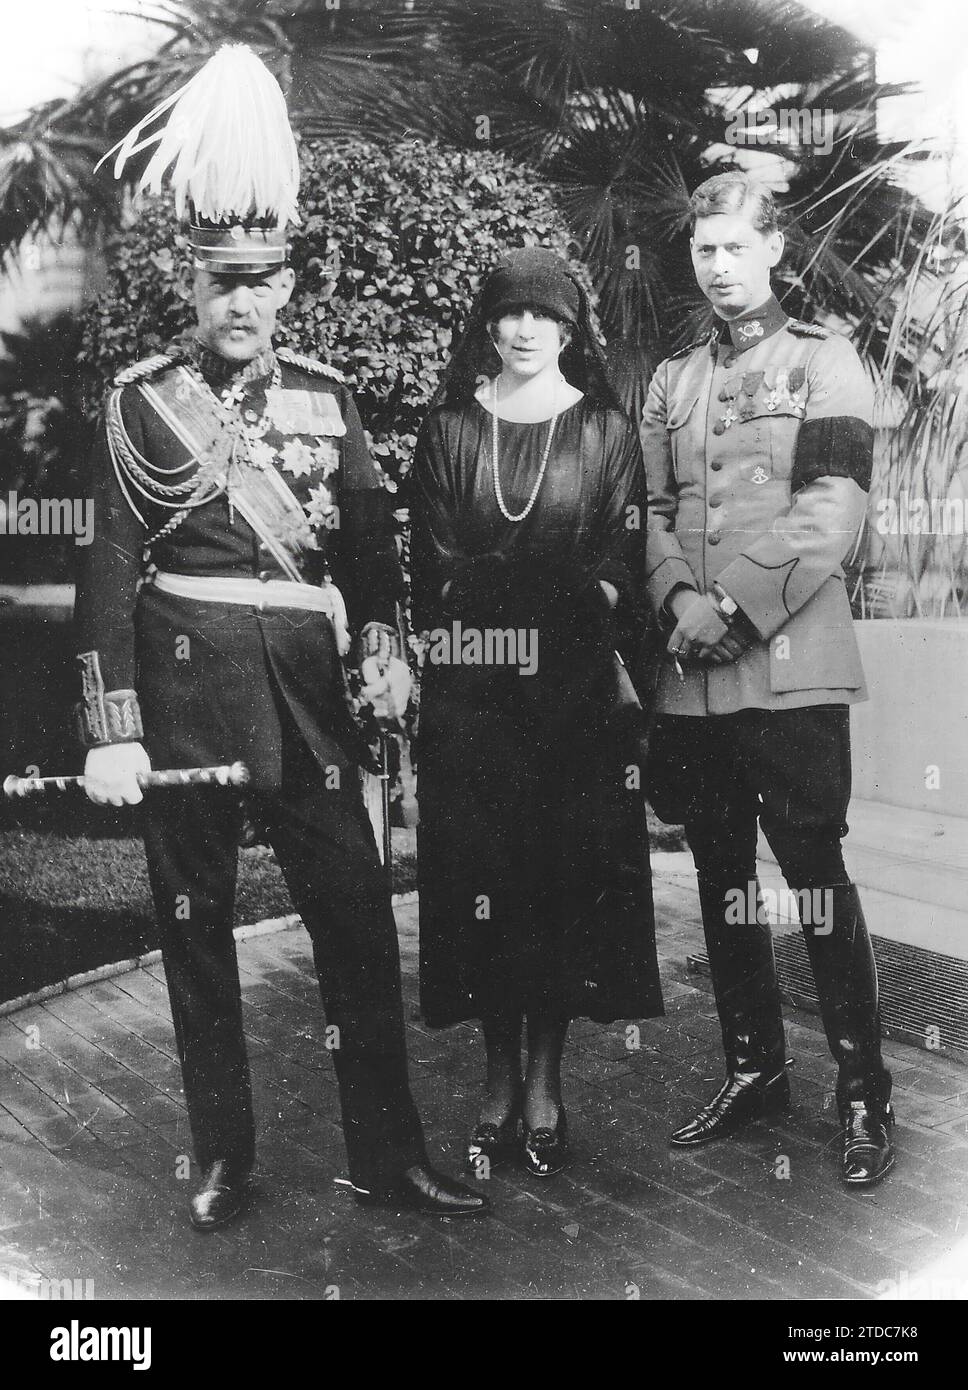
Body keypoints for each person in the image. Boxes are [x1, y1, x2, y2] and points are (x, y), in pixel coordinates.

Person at [74, 45, 488, 1228]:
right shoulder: (140, 401)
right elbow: (107, 571)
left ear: (288, 283)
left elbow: (368, 554)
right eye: (222, 285)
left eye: (261, 282)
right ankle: (222, 1157)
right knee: (196, 933)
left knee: (356, 924)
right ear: (192, 288)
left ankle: (389, 1151)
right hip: (186, 690)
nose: (243, 303)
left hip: (306, 698)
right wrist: (111, 730)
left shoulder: (328, 397)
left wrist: (387, 656)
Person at [640, 171, 894, 1187]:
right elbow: (648, 511)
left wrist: (726, 608)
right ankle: (754, 1069)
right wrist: (671, 604)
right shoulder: (669, 380)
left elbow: (830, 510)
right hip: (693, 678)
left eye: (734, 248)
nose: (716, 267)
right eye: (703, 251)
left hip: (787, 671)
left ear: (773, 252)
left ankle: (863, 1090)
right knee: (716, 872)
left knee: (813, 880)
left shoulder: (826, 365)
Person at [410, 248, 663, 1181]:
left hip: (573, 709)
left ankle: (547, 1081)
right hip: (472, 703)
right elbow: (436, 568)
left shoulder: (605, 431)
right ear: (488, 326)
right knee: (481, 882)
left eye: (541, 317)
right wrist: (540, 591)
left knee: (558, 886)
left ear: (568, 331)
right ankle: (494, 1080)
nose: (523, 330)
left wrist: (523, 593)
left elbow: (615, 568)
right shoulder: (447, 431)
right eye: (507, 315)